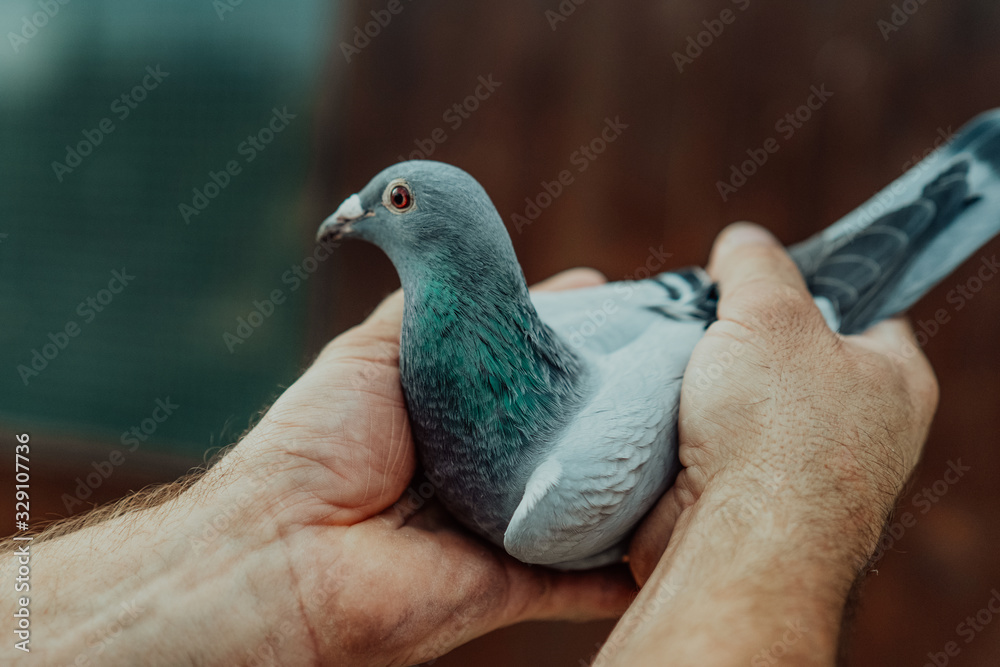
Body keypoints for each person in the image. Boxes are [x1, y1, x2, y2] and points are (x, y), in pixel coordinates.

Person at [2, 223, 937, 666]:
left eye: (394, 199)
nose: (361, 212)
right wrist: (792, 504)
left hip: (690, 338)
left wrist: (782, 482)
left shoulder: (553, 502)